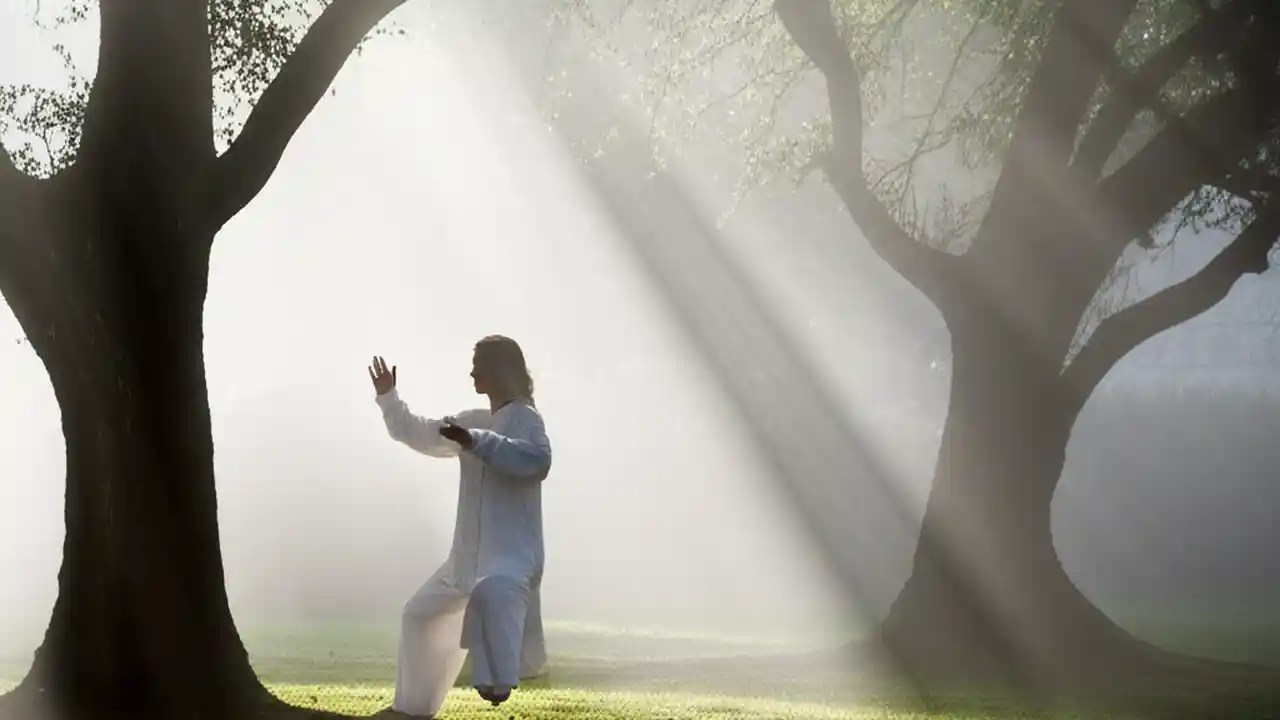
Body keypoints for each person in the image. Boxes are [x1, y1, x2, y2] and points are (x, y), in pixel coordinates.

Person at [368, 336, 551, 718]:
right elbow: (420, 433)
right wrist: (389, 399)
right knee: (418, 615)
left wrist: (477, 442)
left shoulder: (525, 418)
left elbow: (537, 461)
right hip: (464, 560)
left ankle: (499, 682)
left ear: (500, 369)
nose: (472, 372)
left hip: (508, 560)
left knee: (494, 594)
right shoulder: (474, 421)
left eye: (478, 363)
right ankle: (411, 710)